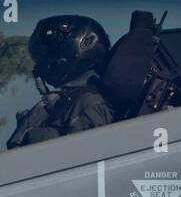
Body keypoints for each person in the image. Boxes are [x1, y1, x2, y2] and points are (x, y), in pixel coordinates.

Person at [8, 15, 115, 149]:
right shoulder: (66, 101)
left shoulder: (90, 105)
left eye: (48, 56)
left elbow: (85, 162)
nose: (41, 67)